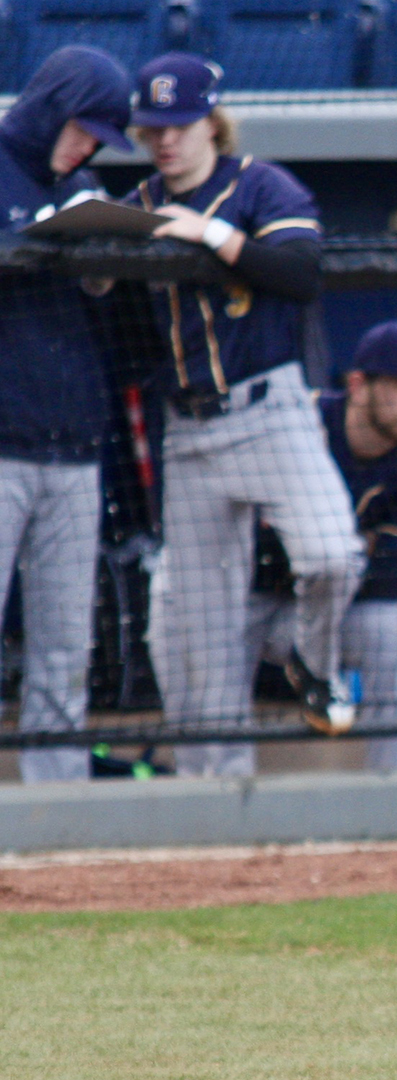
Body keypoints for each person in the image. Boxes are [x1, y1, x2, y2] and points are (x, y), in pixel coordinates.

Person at [127, 52, 366, 775]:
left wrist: (215, 237)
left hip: (269, 412)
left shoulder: (260, 183)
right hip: (188, 431)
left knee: (330, 554)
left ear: (210, 120)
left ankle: (315, 666)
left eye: (180, 123)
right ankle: (214, 788)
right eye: (153, 127)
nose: (166, 140)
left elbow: (300, 272)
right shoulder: (136, 205)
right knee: (197, 627)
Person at [0, 47, 132, 782]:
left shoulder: (83, 188)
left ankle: (60, 815)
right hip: (1, 446)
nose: (86, 148)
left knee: (63, 648)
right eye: (82, 130)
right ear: (52, 107)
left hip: (74, 448)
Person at [249, 321, 397, 770]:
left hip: (328, 613)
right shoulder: (302, 425)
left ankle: (393, 793)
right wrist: (357, 547)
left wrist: (327, 559)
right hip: (253, 606)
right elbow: (255, 556)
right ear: (358, 386)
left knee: (395, 629)